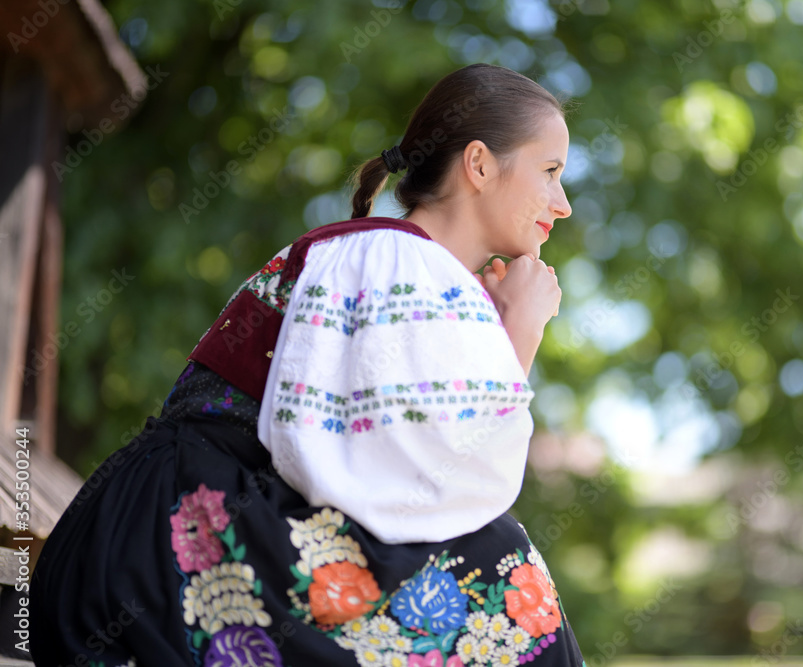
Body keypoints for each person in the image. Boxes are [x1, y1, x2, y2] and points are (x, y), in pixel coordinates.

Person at [29, 62, 583, 666]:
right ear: (479, 165)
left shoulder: (401, 262)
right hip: (182, 532)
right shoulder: (398, 263)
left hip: (171, 521)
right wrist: (520, 333)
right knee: (507, 576)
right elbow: (440, 480)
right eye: (550, 171)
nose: (563, 203)